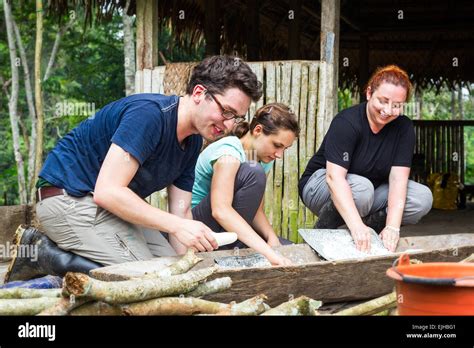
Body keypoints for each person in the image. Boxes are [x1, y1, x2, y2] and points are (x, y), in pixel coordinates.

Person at [5, 55, 263, 282]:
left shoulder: (193, 141)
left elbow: (182, 210)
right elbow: (107, 191)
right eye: (227, 112)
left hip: (110, 210)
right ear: (198, 93)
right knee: (152, 279)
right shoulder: (149, 115)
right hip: (69, 199)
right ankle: (47, 256)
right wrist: (177, 226)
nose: (229, 125)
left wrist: (190, 266)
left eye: (237, 118)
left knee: (177, 275)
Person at [299, 65, 433, 253]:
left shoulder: (404, 128)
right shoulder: (347, 122)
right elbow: (334, 178)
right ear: (369, 93)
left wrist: (392, 228)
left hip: (368, 194)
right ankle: (323, 236)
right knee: (362, 189)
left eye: (396, 105)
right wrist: (356, 226)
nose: (388, 110)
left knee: (422, 198)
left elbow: (398, 180)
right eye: (383, 101)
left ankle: (369, 232)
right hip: (320, 186)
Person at [183, 103, 299, 266]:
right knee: (254, 171)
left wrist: (272, 239)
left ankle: (237, 248)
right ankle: (229, 252)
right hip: (196, 227)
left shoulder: (260, 157)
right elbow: (220, 211)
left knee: (289, 249)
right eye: (277, 145)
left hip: (226, 231)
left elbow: (256, 210)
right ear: (258, 130)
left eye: (285, 149)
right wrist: (269, 254)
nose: (279, 155)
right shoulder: (229, 151)